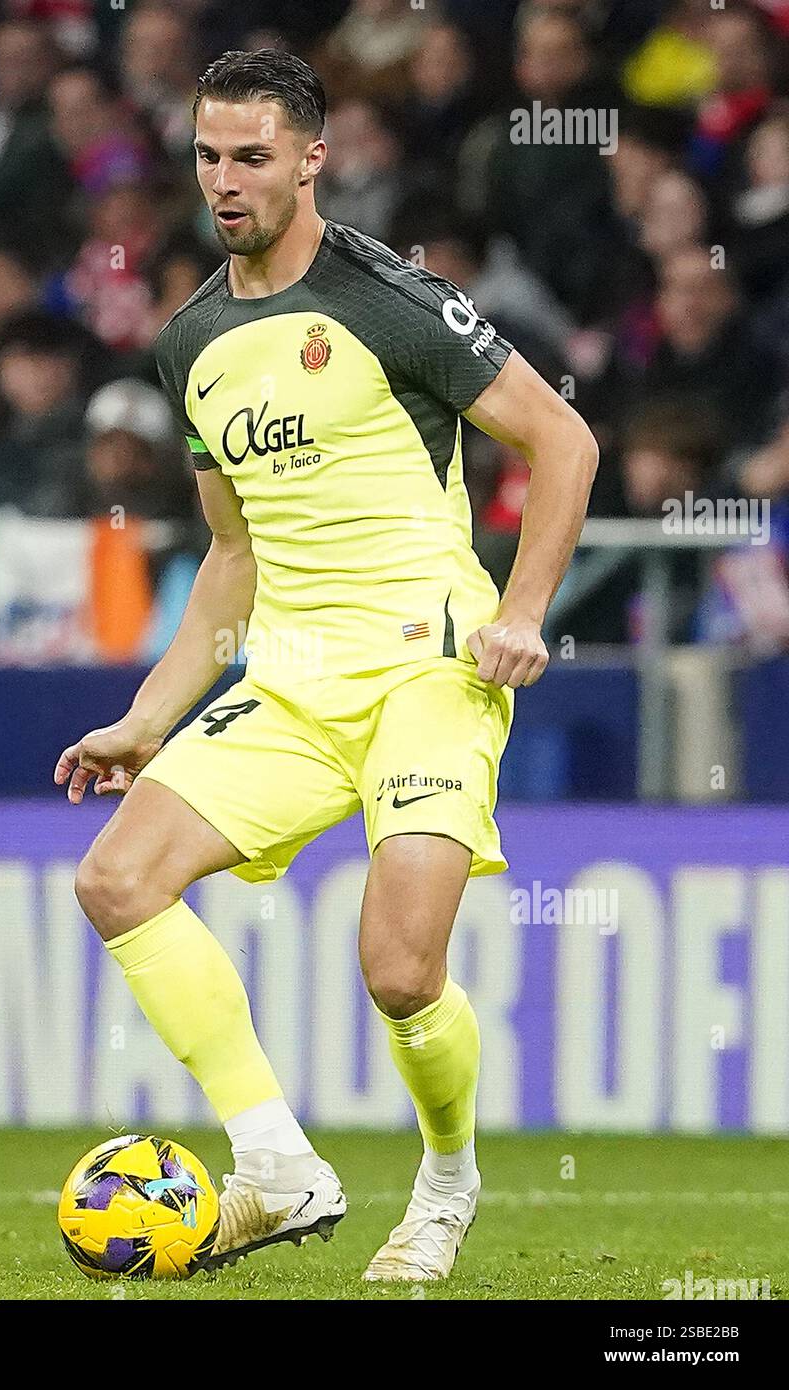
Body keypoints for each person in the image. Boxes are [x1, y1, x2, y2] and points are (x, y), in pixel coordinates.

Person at [55, 49, 597, 1281]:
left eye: (252, 156)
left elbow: (561, 438)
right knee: (117, 880)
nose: (225, 181)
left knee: (400, 970)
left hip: (428, 666)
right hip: (291, 683)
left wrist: (521, 609)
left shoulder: (390, 297)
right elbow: (230, 554)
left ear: (312, 157)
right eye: (206, 156)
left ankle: (446, 1179)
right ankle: (275, 1164)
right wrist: (148, 714)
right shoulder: (191, 337)